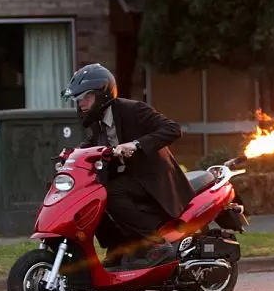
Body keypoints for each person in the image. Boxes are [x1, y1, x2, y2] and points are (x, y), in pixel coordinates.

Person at [61, 63, 196, 270]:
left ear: (102, 94)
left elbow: (172, 129)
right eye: (79, 99)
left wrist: (136, 145)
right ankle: (118, 247)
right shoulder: (97, 120)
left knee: (110, 193)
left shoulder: (134, 110)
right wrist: (71, 155)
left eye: (86, 97)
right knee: (88, 199)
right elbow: (93, 143)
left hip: (152, 179)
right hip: (127, 178)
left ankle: (156, 245)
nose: (81, 104)